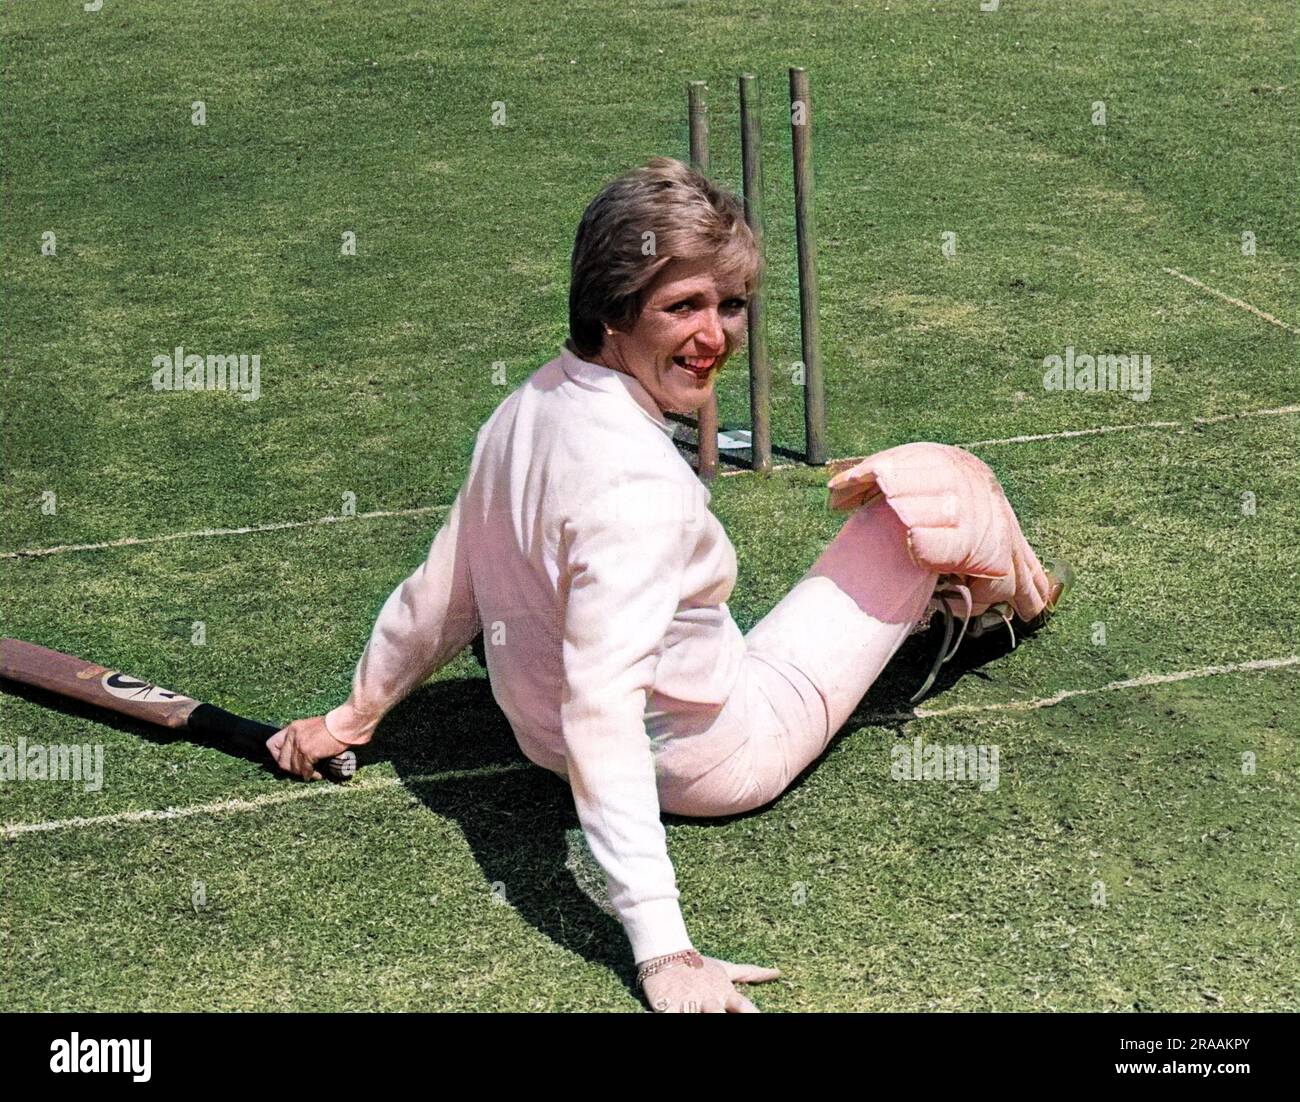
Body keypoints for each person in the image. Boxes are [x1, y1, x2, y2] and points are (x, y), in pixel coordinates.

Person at [267, 157, 1066, 1013]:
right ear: (613, 313)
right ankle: (994, 602)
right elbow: (601, 708)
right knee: (934, 482)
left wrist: (350, 718)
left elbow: (442, 595)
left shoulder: (525, 406)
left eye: (729, 305)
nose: (715, 336)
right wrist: (663, 951)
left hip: (538, 740)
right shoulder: (640, 490)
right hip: (714, 756)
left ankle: (951, 602)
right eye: (682, 306)